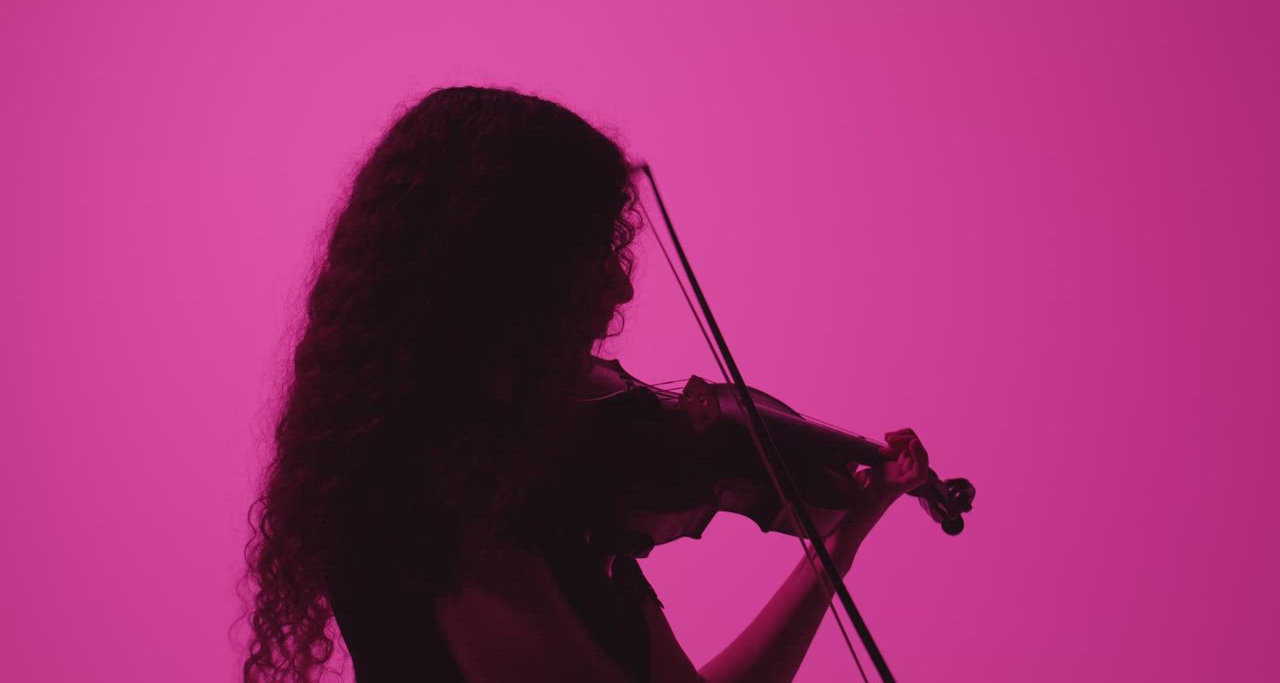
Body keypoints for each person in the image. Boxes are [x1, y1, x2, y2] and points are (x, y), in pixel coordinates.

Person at [240, 85, 930, 683]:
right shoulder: (443, 501)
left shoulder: (554, 498)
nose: (622, 283)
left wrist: (841, 540)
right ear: (511, 267)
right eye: (596, 253)